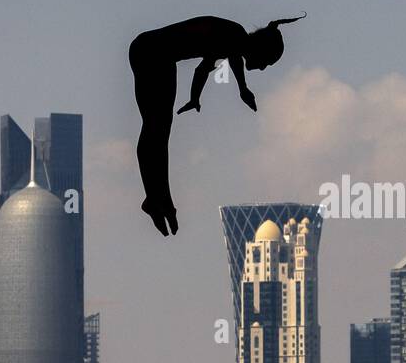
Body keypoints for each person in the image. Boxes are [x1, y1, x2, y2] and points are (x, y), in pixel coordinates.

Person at [127, 13, 304, 235]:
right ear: (261, 49)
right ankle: (156, 199)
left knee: (159, 129)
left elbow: (214, 66)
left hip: (158, 54)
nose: (263, 68)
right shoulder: (233, 36)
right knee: (155, 128)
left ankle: (160, 198)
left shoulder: (234, 39)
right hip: (150, 52)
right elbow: (230, 61)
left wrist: (197, 98)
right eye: (267, 62)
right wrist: (240, 89)